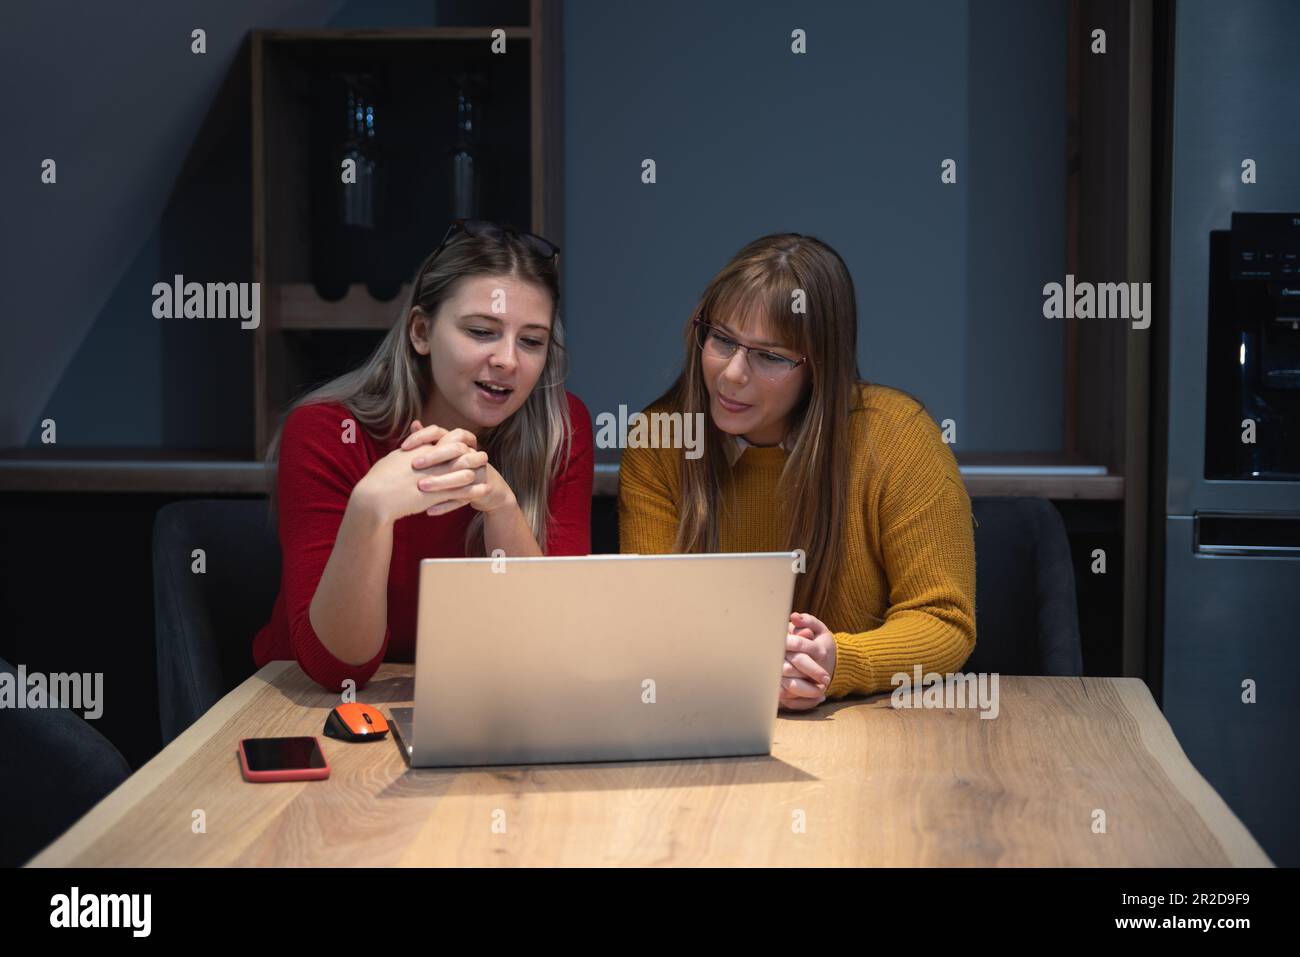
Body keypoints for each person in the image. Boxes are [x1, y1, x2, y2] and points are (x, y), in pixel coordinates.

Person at [618, 232, 975, 711]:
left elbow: (943, 619)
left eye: (770, 356)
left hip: (867, 728)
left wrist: (837, 663)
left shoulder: (898, 437)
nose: (732, 374)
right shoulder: (661, 440)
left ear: (818, 368)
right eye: (722, 339)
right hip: (704, 716)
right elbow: (649, 620)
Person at [253, 220, 593, 691]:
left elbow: (556, 648)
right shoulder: (326, 432)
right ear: (420, 331)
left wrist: (502, 508)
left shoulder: (561, 427)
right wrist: (370, 509)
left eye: (532, 341)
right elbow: (339, 670)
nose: (508, 361)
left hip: (473, 699)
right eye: (481, 331)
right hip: (311, 707)